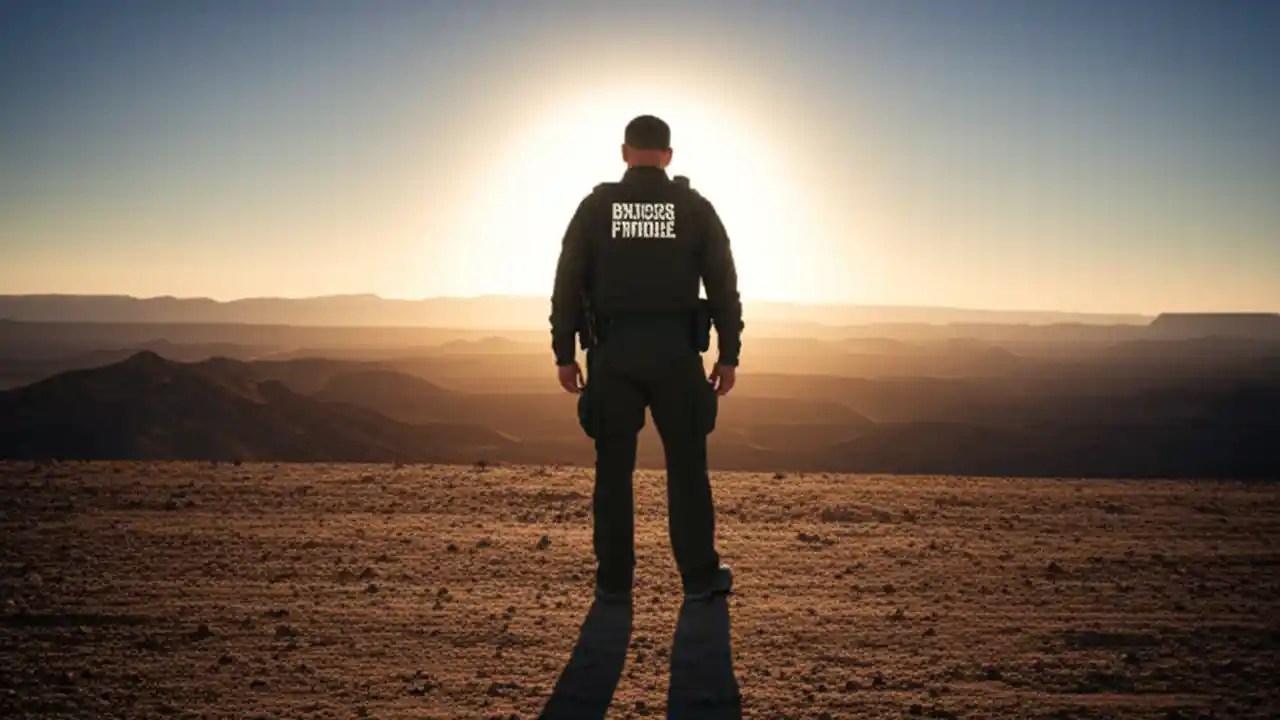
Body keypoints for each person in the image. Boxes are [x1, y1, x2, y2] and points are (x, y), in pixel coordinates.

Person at [549, 114, 743, 603]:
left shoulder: (596, 208)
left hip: (613, 354)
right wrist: (729, 353)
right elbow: (723, 284)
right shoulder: (693, 208)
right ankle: (699, 576)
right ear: (669, 155)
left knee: (613, 469)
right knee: (687, 467)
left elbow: (567, 281)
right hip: (677, 354)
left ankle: (614, 582)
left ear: (623, 152)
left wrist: (564, 352)